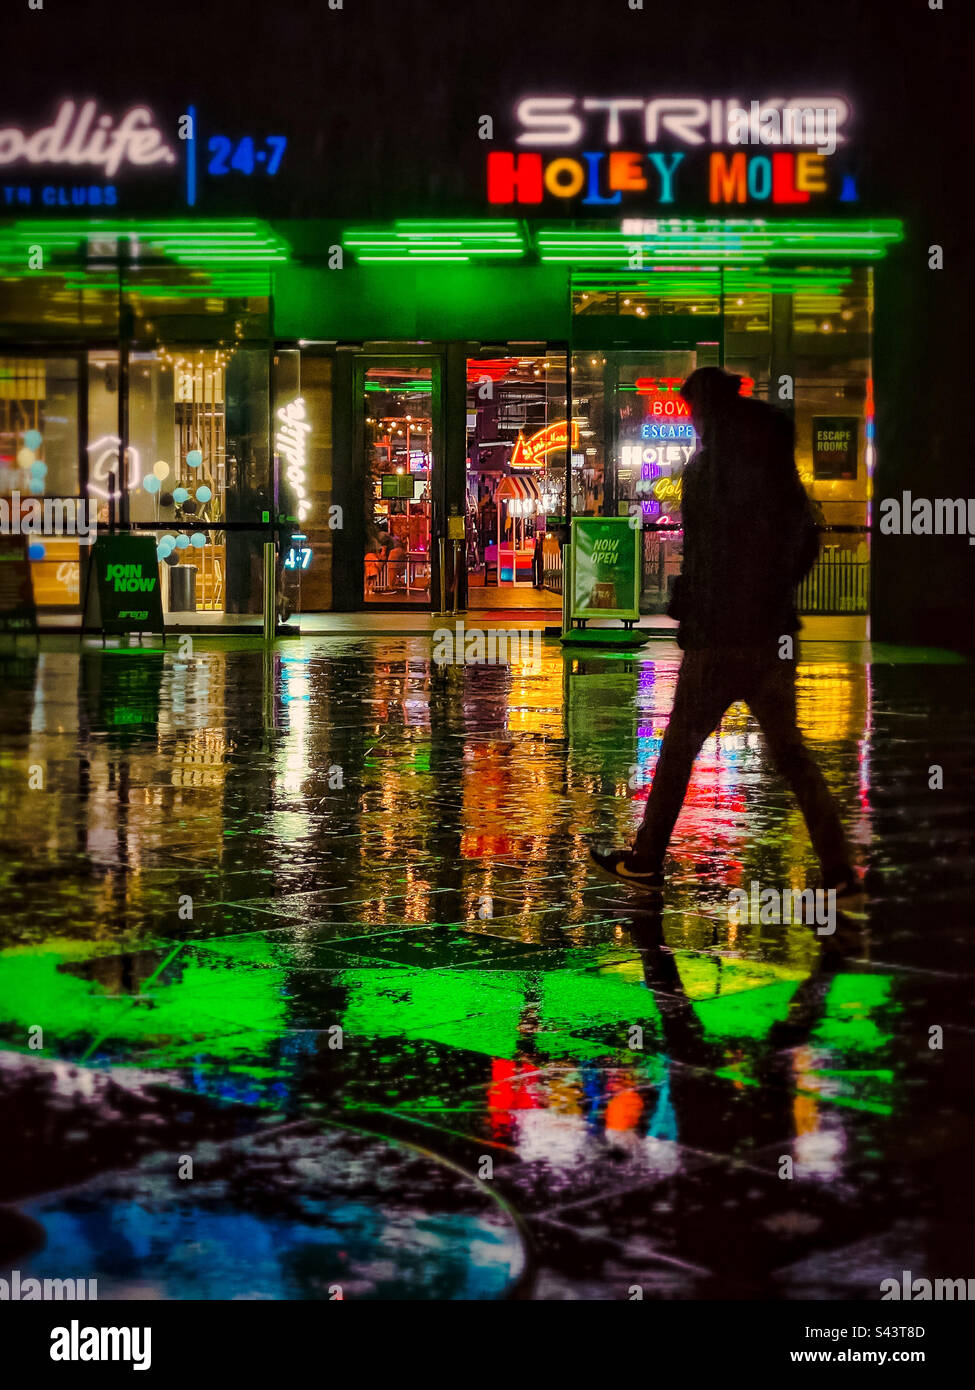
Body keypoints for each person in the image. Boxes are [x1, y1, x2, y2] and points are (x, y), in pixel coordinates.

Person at [590, 367, 859, 899]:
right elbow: (804, 542)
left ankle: (646, 860)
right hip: (771, 635)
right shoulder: (774, 465)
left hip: (719, 637)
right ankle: (839, 871)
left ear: (703, 411)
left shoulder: (708, 470)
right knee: (792, 754)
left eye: (692, 411)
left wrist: (692, 606)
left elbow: (705, 556)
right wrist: (775, 598)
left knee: (678, 750)